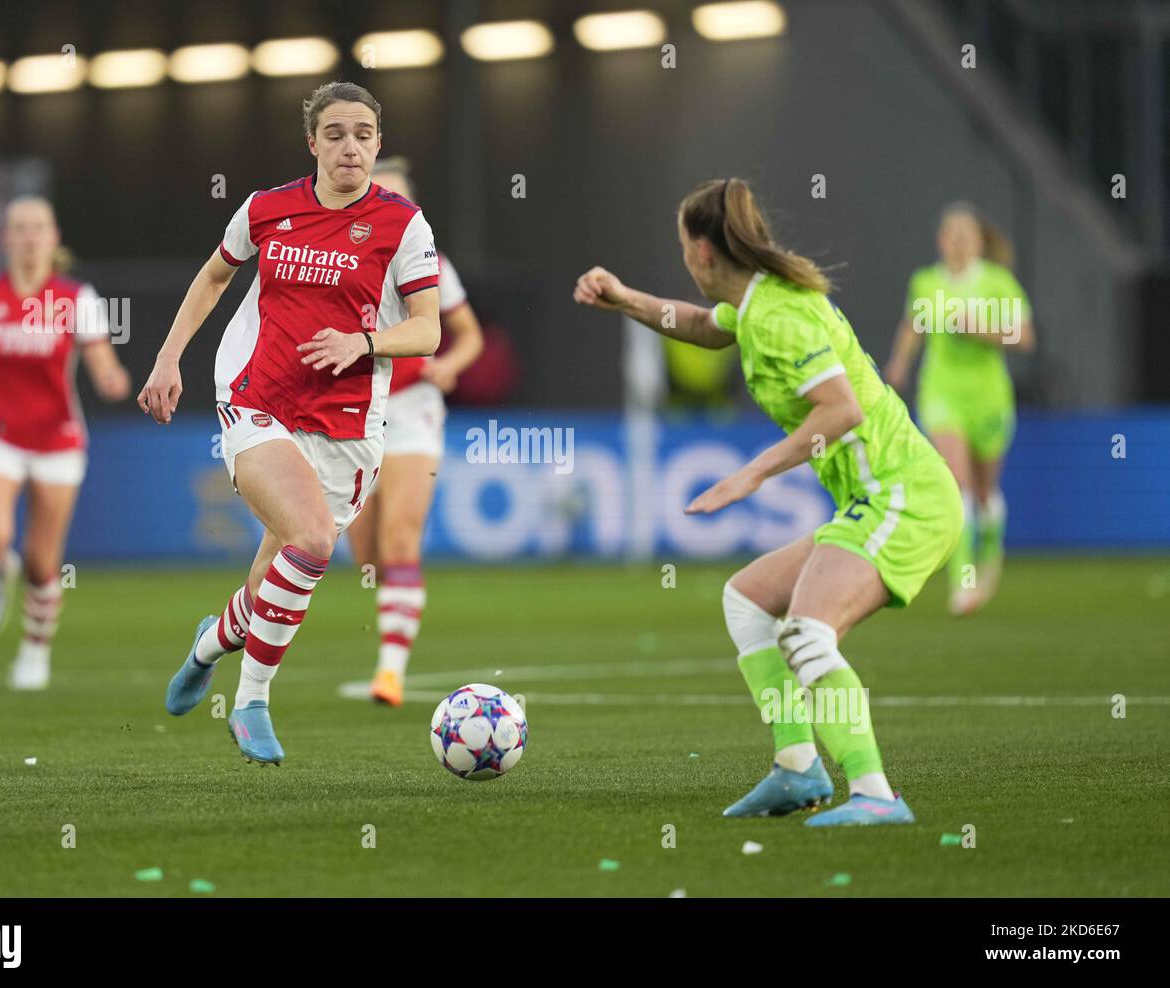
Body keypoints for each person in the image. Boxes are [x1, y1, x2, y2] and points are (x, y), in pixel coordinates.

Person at [573, 178, 963, 826]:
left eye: (681, 248)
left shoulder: (778, 315)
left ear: (701, 252)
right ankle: (797, 767)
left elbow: (842, 409)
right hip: (875, 497)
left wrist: (750, 475)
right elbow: (699, 325)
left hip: (904, 493)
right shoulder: (753, 306)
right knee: (748, 599)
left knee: (808, 635)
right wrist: (623, 299)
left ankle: (875, 794)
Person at [138, 81, 441, 765]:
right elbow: (214, 277)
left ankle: (210, 642)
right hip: (258, 401)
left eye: (363, 133)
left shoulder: (403, 225)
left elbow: (427, 332)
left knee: (267, 590)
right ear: (312, 143)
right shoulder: (267, 209)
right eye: (335, 133)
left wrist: (361, 344)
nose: (350, 146)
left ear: (378, 143)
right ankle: (251, 702)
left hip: (348, 430)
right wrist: (166, 358)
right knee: (310, 541)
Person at [0, 195, 131, 689]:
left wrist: (112, 379)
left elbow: (100, 359)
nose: (28, 236)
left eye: (37, 227)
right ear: (6, 238)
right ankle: (0, 571)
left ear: (53, 236)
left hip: (59, 441)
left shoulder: (75, 297)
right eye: (19, 228)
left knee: (45, 561)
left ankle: (33, 652)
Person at [346, 157, 483, 707]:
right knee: (368, 560)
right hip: (355, 412)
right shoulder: (341, 260)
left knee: (401, 539)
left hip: (412, 408)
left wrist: (451, 365)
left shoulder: (431, 264)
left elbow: (469, 336)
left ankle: (390, 672)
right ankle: (394, 632)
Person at [884, 203, 1035, 614]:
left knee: (985, 494)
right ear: (940, 241)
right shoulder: (926, 282)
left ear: (979, 243)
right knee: (959, 486)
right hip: (941, 392)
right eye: (951, 235)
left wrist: (980, 330)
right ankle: (962, 582)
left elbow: (1024, 337)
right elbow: (913, 326)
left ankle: (990, 552)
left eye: (965, 235)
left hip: (988, 396)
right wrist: (899, 364)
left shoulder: (997, 283)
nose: (957, 242)